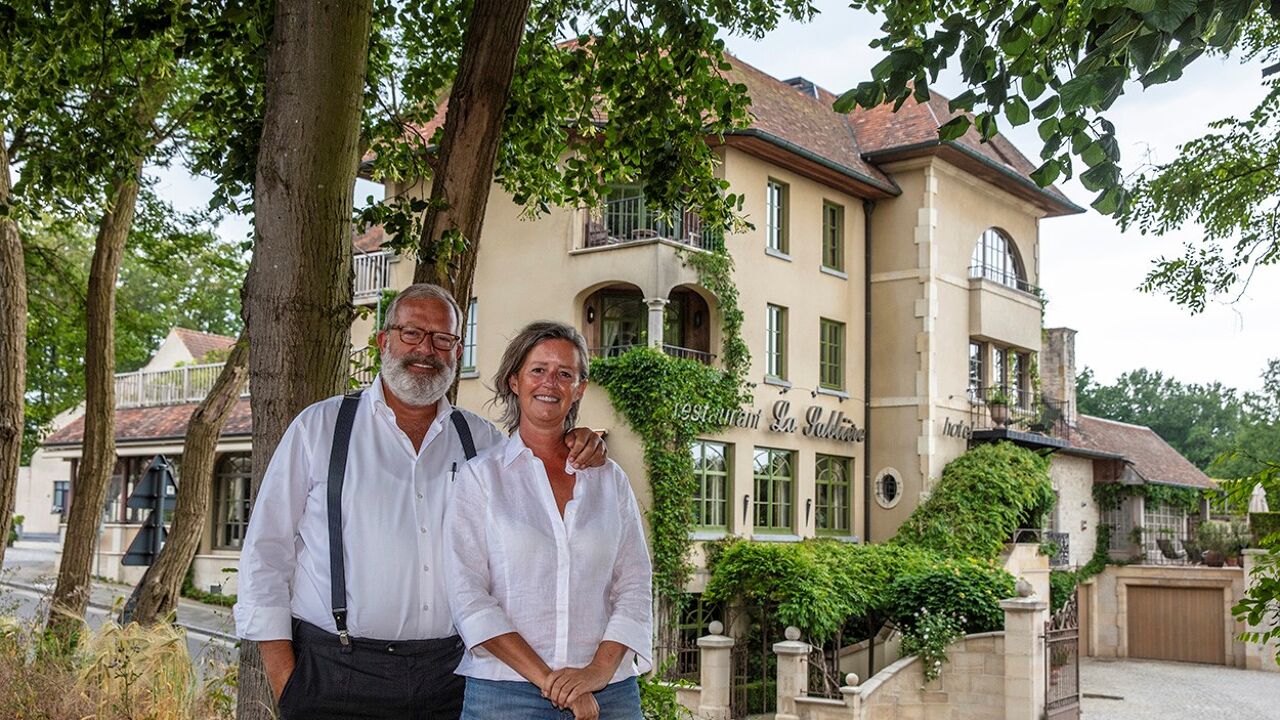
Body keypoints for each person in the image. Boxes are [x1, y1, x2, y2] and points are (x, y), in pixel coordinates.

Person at [233, 284, 608, 720]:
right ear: (383, 341)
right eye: (412, 333)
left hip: (451, 678)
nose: (426, 349)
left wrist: (581, 445)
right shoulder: (320, 427)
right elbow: (266, 553)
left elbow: (539, 518)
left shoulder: (482, 441)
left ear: (456, 350)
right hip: (336, 674)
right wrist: (288, 684)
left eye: (443, 339)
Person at [444, 321, 653, 720]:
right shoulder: (479, 479)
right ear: (514, 381)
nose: (550, 383)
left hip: (609, 692)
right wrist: (555, 684)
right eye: (538, 370)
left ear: (580, 388)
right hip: (505, 694)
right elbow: (468, 596)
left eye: (565, 374)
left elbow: (634, 584)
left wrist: (596, 672)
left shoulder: (609, 480)